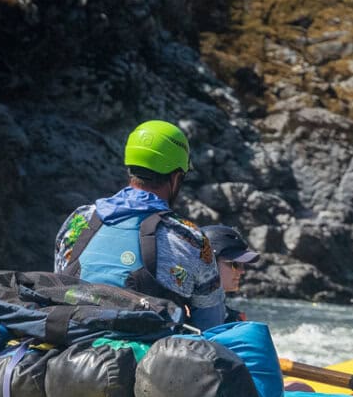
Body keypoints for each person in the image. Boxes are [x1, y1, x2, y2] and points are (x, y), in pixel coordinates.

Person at [53, 120, 226, 329]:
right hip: (145, 359)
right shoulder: (191, 239)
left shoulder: (78, 220)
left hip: (69, 346)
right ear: (176, 177)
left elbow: (59, 285)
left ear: (130, 169)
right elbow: (211, 326)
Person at [202, 224, 260, 323]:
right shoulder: (180, 312)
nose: (242, 271)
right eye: (235, 264)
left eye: (242, 265)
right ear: (210, 263)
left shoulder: (229, 316)